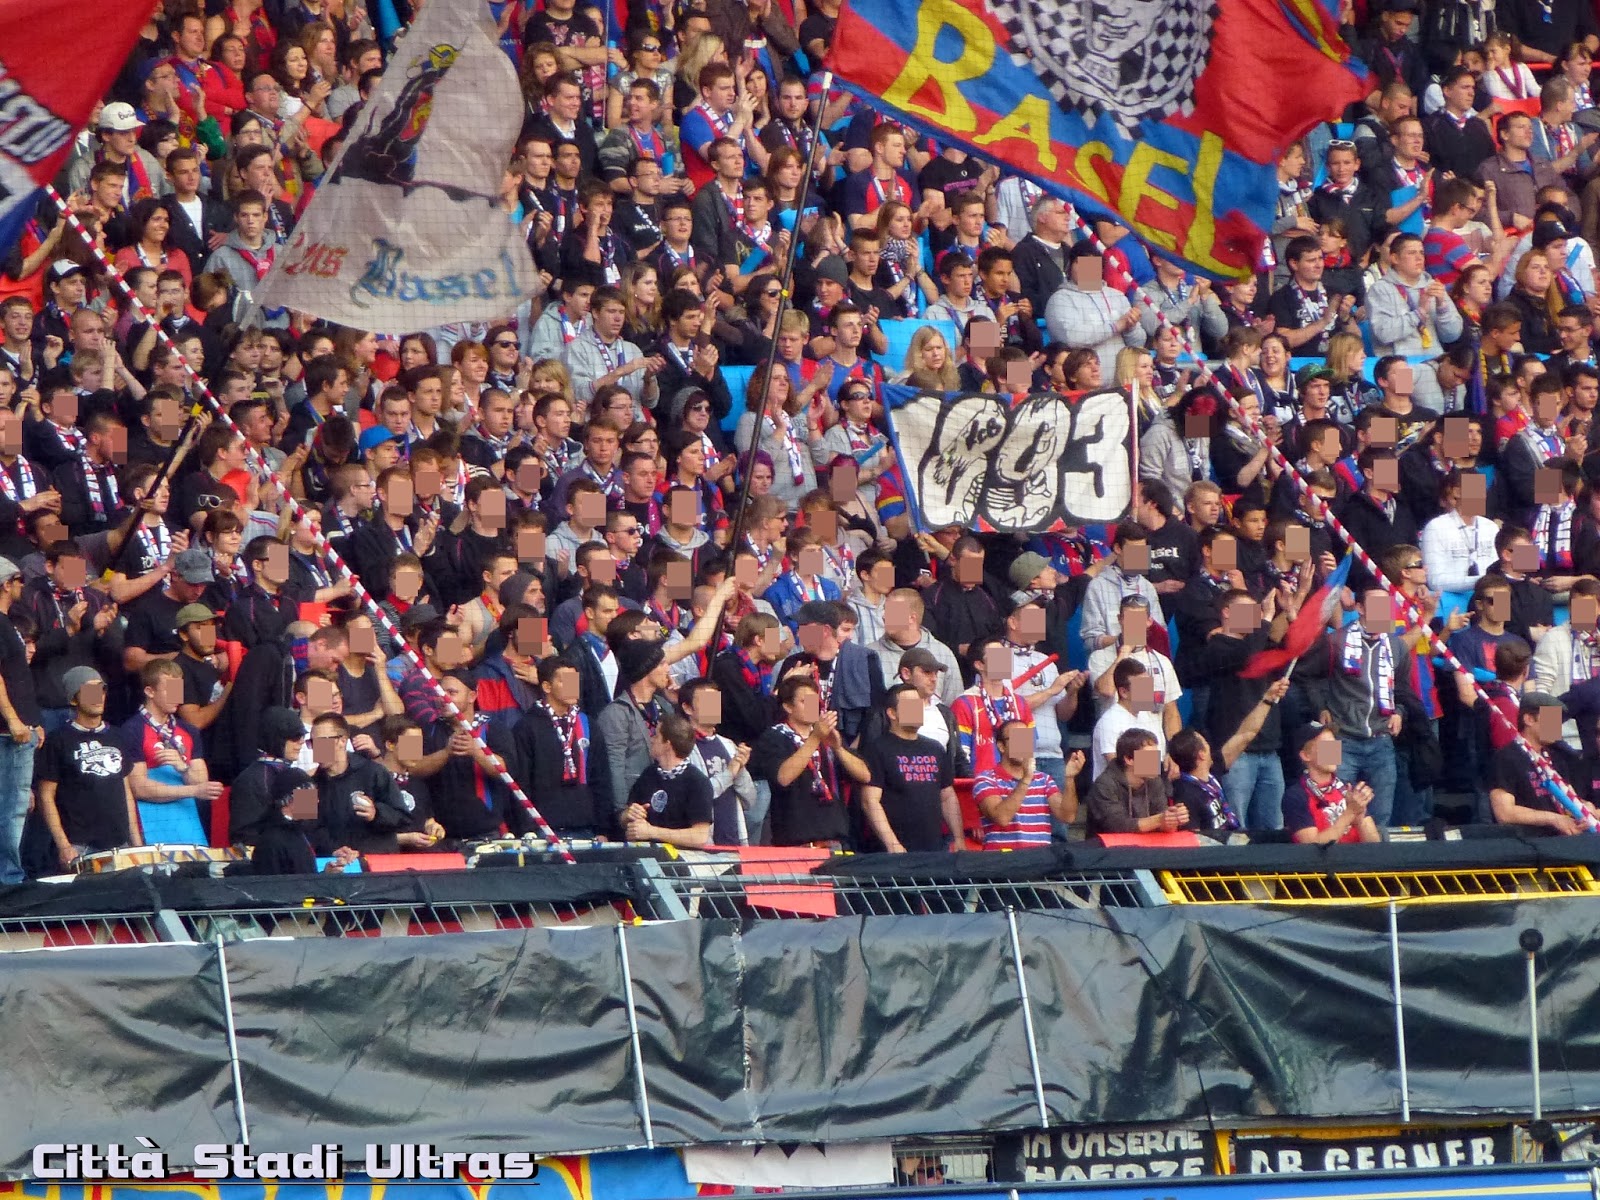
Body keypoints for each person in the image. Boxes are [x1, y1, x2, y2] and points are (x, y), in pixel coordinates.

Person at [748, 671, 869, 848]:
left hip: (836, 839)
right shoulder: (774, 737)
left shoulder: (827, 736)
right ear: (788, 707)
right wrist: (815, 739)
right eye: (805, 702)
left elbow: (865, 775)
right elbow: (783, 777)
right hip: (796, 842)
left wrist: (838, 748)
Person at [36, 667, 139, 870]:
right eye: (89, 691)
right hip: (80, 846)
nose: (98, 696)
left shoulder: (117, 736)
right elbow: (46, 796)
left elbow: (126, 790)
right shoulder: (58, 740)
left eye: (101, 689)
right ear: (74, 699)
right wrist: (64, 845)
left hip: (119, 843)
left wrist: (135, 840)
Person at [857, 683, 961, 853]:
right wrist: (892, 843)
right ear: (892, 713)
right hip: (892, 854)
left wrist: (959, 838)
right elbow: (870, 801)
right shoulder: (877, 749)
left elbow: (947, 796)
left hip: (934, 850)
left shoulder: (935, 748)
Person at [1488, 693, 1597, 831]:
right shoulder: (1506, 757)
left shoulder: (1557, 758)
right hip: (1527, 841)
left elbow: (1569, 799)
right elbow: (1504, 812)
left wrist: (1584, 807)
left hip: (1561, 839)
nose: (1557, 727)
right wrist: (1553, 819)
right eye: (1551, 719)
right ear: (1528, 719)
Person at [974, 720, 1082, 849]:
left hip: (1039, 861)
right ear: (1001, 746)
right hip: (1002, 862)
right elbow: (1002, 818)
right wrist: (1026, 779)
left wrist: (1069, 779)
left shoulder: (1044, 780)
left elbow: (1067, 816)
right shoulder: (986, 779)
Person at [621, 712, 714, 848]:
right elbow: (624, 819)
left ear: (667, 744)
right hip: (647, 858)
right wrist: (628, 815)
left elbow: (699, 836)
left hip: (681, 862)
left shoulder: (697, 782)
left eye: (656, 735)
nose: (651, 739)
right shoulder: (649, 774)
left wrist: (651, 832)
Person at [1282, 723, 1384, 844]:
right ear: (1305, 755)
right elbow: (1311, 850)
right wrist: (1350, 813)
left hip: (1357, 860)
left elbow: (1375, 846)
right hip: (1327, 863)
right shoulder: (1296, 796)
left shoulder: (1349, 789)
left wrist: (1360, 817)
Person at [1083, 727, 1183, 838]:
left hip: (1145, 846)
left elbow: (1161, 820)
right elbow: (1116, 826)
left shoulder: (1155, 780)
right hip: (1105, 850)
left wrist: (1173, 819)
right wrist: (1159, 820)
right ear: (1129, 759)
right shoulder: (1105, 784)